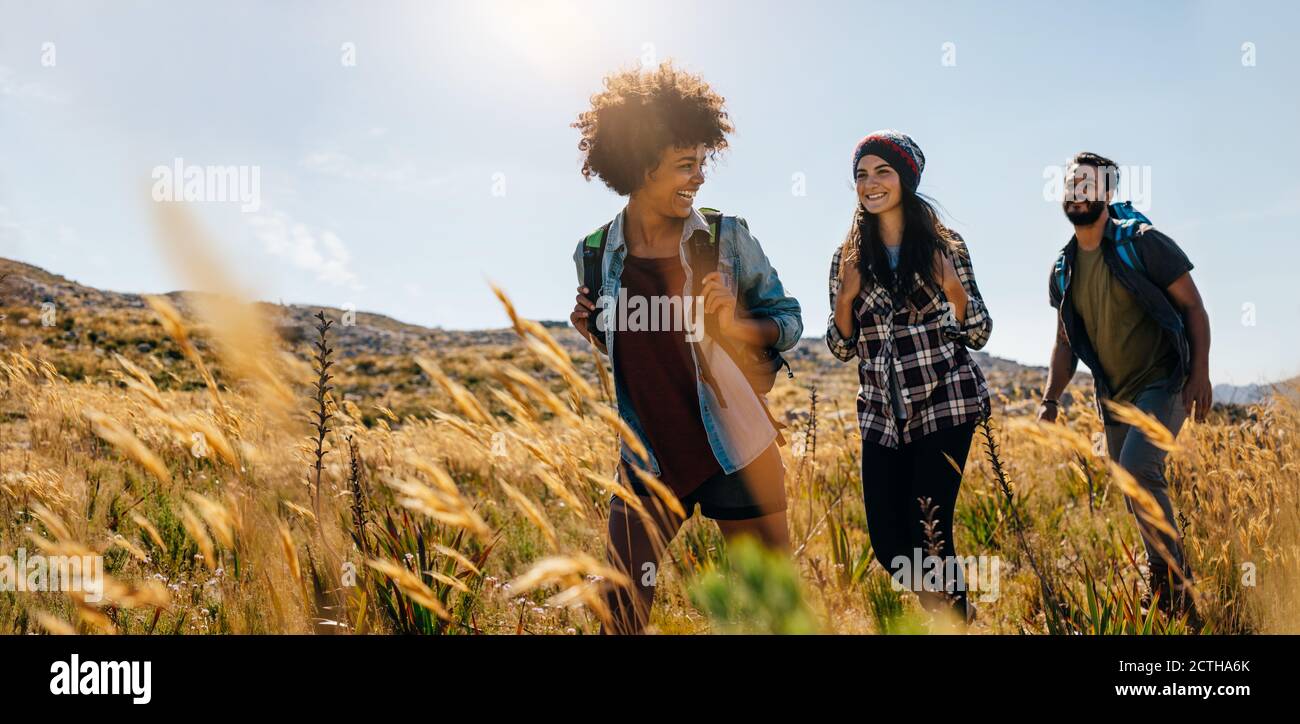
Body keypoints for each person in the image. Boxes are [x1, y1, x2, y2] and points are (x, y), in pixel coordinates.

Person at [567, 61, 803, 633]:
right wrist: (593, 329)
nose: (698, 178)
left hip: (736, 449)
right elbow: (642, 350)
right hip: (647, 458)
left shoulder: (726, 237)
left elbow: (788, 320)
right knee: (620, 612)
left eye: (702, 163)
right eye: (683, 165)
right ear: (640, 163)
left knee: (775, 615)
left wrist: (739, 326)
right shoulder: (595, 253)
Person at [826, 130, 992, 620]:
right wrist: (844, 299)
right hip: (881, 415)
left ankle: (952, 623)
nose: (870, 183)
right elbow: (841, 347)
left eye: (883, 172)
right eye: (861, 174)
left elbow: (979, 331)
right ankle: (955, 614)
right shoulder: (847, 257)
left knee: (930, 533)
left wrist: (954, 290)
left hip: (945, 403)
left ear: (906, 179)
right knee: (888, 543)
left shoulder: (946, 247)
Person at [1038, 152, 1211, 622]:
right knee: (1132, 489)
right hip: (1114, 397)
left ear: (1108, 193)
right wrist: (1050, 398)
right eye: (1071, 184)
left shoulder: (1142, 243)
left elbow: (1193, 308)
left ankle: (1177, 590)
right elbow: (1064, 341)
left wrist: (1200, 373)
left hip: (1165, 381)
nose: (1077, 193)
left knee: (1138, 469)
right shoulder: (1063, 269)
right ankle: (1165, 588)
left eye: (1088, 185)